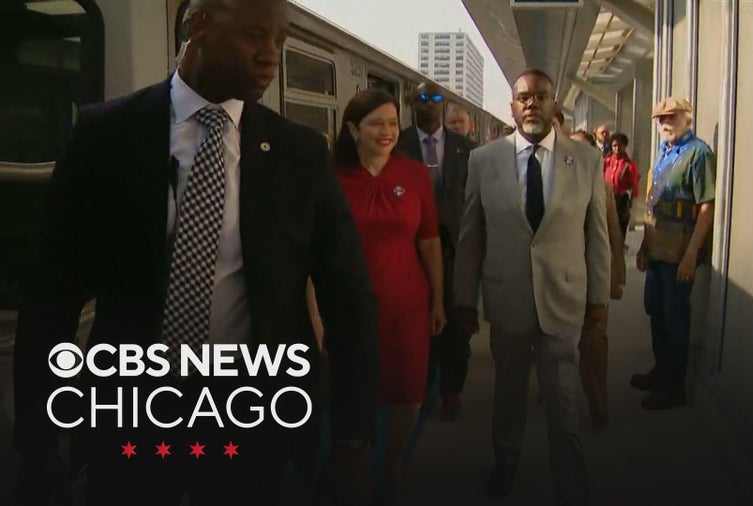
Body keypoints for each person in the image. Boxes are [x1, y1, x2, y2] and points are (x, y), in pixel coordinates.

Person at [13, 1, 379, 505]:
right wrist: (36, 444)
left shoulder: (298, 155)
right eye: (254, 36)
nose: (270, 56)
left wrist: (353, 442)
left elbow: (349, 299)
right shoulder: (105, 136)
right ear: (199, 25)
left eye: (280, 40)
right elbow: (51, 294)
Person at [454, 68, 611, 505]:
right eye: (523, 97)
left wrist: (599, 299)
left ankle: (571, 479)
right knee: (508, 393)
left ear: (553, 103)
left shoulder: (585, 161)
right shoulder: (483, 161)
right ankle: (506, 462)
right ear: (512, 106)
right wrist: (464, 298)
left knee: (563, 400)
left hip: (563, 300)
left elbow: (597, 236)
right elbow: (471, 237)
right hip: (508, 300)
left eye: (540, 96)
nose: (532, 104)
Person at [334, 88, 445, 502]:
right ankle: (354, 464)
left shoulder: (415, 175)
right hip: (349, 304)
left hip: (407, 305)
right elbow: (316, 250)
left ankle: (395, 458)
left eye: (393, 124)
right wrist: (315, 314)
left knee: (408, 394)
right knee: (355, 392)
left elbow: (430, 241)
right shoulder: (332, 177)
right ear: (352, 129)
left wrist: (438, 300)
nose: (387, 132)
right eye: (376, 123)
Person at [397, 82, 478, 421]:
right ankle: (422, 386)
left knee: (457, 324)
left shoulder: (466, 148)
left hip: (456, 252)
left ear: (443, 104)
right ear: (410, 103)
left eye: (434, 98)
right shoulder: (398, 144)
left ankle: (452, 392)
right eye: (420, 98)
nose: (427, 103)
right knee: (419, 322)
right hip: (412, 252)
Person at [632, 96, 715, 410]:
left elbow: (706, 209)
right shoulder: (664, 153)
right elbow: (654, 204)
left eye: (672, 116)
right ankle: (661, 370)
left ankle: (674, 385)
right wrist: (644, 245)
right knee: (655, 310)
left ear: (687, 119)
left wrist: (692, 254)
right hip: (657, 248)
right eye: (660, 118)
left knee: (675, 316)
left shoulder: (699, 154)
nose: (665, 123)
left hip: (679, 250)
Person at [570, 130, 626, 430]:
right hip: (562, 282)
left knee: (594, 346)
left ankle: (598, 409)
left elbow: (613, 235)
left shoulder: (603, 188)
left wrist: (616, 278)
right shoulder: (551, 184)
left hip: (593, 280)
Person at [603, 132, 640, 241]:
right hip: (606, 199)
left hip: (621, 201)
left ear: (625, 146)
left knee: (619, 231)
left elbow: (635, 186)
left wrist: (631, 204)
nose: (617, 148)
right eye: (614, 145)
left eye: (620, 145)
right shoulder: (607, 162)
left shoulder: (629, 165)